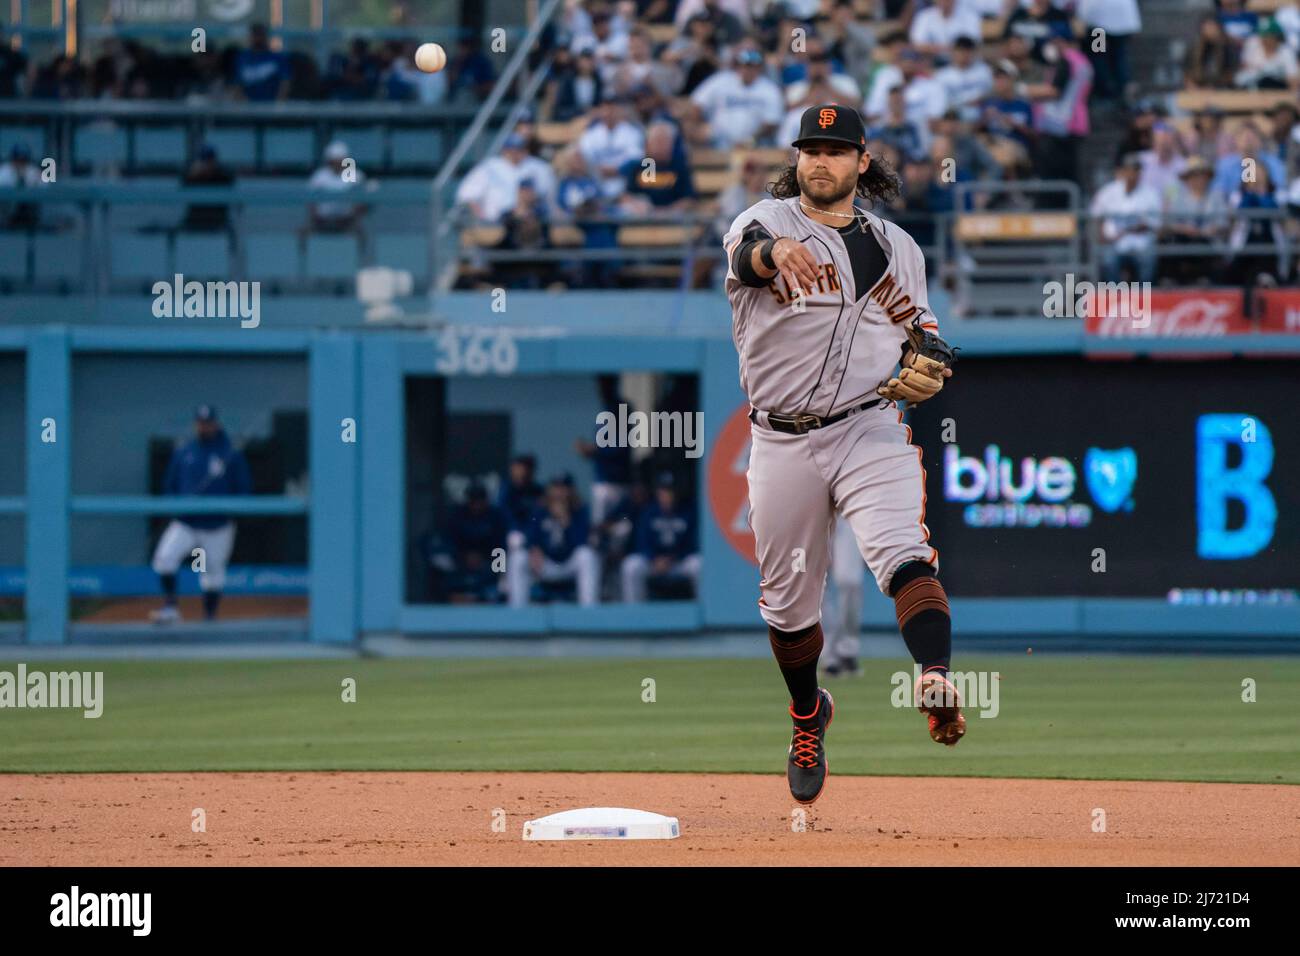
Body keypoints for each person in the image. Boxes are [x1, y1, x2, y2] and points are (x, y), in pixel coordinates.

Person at [721, 104, 965, 806]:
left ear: (863, 162)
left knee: (901, 551)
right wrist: (774, 256)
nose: (819, 161)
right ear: (796, 159)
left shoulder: (898, 248)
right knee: (789, 608)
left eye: (835, 150)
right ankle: (808, 715)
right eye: (810, 149)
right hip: (780, 439)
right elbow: (746, 259)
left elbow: (923, 333)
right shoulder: (761, 223)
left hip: (867, 426)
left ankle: (934, 676)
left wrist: (932, 358)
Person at [150, 405, 251, 624]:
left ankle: (209, 617)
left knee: (212, 573)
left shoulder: (229, 453)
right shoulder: (185, 451)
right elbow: (170, 484)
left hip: (218, 525)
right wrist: (176, 505)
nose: (204, 427)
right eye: (201, 423)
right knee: (164, 558)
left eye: (208, 423)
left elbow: (243, 488)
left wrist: (229, 510)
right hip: (187, 522)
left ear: (216, 424)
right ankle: (170, 608)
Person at [507, 476, 600, 606]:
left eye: (563, 487)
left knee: (587, 555)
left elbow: (582, 542)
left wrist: (566, 520)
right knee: (518, 558)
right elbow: (529, 536)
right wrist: (533, 548)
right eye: (556, 487)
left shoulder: (579, 511)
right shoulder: (540, 511)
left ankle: (589, 610)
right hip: (546, 564)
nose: (560, 492)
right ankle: (518, 611)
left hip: (569, 565)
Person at [620, 472, 700, 602]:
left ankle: (702, 609)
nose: (668, 495)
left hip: (678, 563)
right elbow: (642, 542)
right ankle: (635, 613)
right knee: (631, 565)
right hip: (653, 563)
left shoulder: (688, 512)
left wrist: (673, 558)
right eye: (664, 491)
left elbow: (693, 543)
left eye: (671, 490)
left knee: (698, 564)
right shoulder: (649, 512)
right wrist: (653, 558)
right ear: (658, 492)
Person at [688, 44, 784, 148]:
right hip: (717, 142)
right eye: (745, 65)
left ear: (759, 67)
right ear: (738, 66)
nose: (748, 69)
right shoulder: (721, 80)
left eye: (752, 66)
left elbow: (772, 122)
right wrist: (700, 125)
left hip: (755, 145)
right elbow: (697, 103)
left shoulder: (769, 89)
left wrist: (751, 139)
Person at [1090, 153, 1160, 283]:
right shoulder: (1108, 191)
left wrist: (1127, 231)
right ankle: (1115, 298)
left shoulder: (1151, 193)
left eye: (1136, 170)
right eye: (1129, 170)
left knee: (1148, 259)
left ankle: (1143, 298)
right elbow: (1096, 216)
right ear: (1122, 171)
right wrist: (1101, 237)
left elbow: (1153, 224)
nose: (1133, 174)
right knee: (1108, 260)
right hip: (1114, 244)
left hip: (1141, 244)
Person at [455, 133, 557, 223]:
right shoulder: (489, 166)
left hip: (530, 220)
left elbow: (548, 196)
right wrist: (482, 220)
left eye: (519, 149)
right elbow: (467, 196)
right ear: (504, 150)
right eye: (511, 149)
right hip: (496, 223)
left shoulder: (539, 167)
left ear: (525, 150)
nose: (515, 153)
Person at [1160, 157, 1227, 285]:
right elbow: (1170, 222)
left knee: (1207, 246)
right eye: (1194, 176)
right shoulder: (1179, 198)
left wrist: (1209, 230)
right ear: (1187, 179)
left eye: (1201, 175)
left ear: (1207, 178)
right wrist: (1184, 228)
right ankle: (1170, 279)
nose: (1198, 180)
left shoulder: (1216, 197)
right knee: (1172, 243)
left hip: (1208, 239)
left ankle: (1205, 279)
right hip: (1185, 238)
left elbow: (1223, 222)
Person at [443, 483, 509, 603]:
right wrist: (463, 557)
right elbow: (450, 542)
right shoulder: (458, 516)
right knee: (445, 564)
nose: (477, 504)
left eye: (480, 500)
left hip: (488, 565)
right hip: (462, 564)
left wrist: (485, 559)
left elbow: (500, 546)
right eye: (474, 500)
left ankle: (492, 594)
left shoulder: (494, 517)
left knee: (500, 564)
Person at [305, 141, 367, 234]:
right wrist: (316, 217)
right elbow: (310, 201)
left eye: (340, 161)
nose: (337, 164)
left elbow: (362, 201)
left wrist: (354, 216)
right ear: (329, 161)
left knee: (361, 233)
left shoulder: (356, 175)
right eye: (334, 161)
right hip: (322, 220)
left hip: (347, 220)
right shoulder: (319, 175)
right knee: (303, 231)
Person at [179, 143, 235, 232]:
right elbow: (183, 183)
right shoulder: (193, 177)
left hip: (218, 221)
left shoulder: (222, 177)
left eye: (210, 160)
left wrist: (214, 172)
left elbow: (230, 179)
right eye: (205, 160)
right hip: (194, 220)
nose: (208, 164)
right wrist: (193, 174)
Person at [232, 23, 288, 102]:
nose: (258, 38)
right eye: (255, 35)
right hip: (248, 108)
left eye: (261, 35)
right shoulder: (242, 58)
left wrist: (279, 103)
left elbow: (285, 83)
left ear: (266, 36)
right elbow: (237, 85)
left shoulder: (278, 58)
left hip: (272, 106)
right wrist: (244, 103)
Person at [0, 143, 44, 230]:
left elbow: (45, 189)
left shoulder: (34, 171)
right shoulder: (4, 171)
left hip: (30, 216)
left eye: (23, 160)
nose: (20, 163)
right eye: (18, 160)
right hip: (7, 216)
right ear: (12, 159)